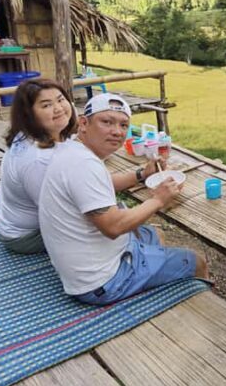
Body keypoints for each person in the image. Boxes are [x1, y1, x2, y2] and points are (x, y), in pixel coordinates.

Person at [39, 93, 208, 305]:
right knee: (196, 261)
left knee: (154, 233)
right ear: (83, 123)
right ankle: (201, 310)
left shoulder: (73, 150)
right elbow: (113, 227)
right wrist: (158, 199)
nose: (117, 132)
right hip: (101, 280)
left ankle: (154, 267)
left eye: (123, 125)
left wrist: (141, 175)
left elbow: (102, 184)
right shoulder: (83, 165)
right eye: (106, 122)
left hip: (84, 261)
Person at [0, 78, 77, 254]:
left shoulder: (27, 133)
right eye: (46, 105)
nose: (59, 108)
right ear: (29, 114)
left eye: (61, 99)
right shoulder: (38, 160)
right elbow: (58, 214)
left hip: (8, 215)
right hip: (24, 237)